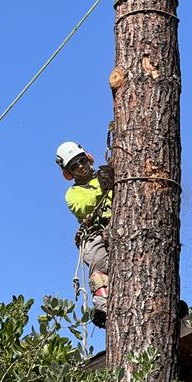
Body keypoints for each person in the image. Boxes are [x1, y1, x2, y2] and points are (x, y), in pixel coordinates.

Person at [55, 141, 114, 328]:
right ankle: (103, 306)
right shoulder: (72, 193)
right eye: (75, 166)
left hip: (120, 223)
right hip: (96, 232)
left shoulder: (106, 175)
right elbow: (83, 206)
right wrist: (103, 190)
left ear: (88, 158)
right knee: (97, 260)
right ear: (69, 173)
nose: (81, 166)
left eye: (81, 161)